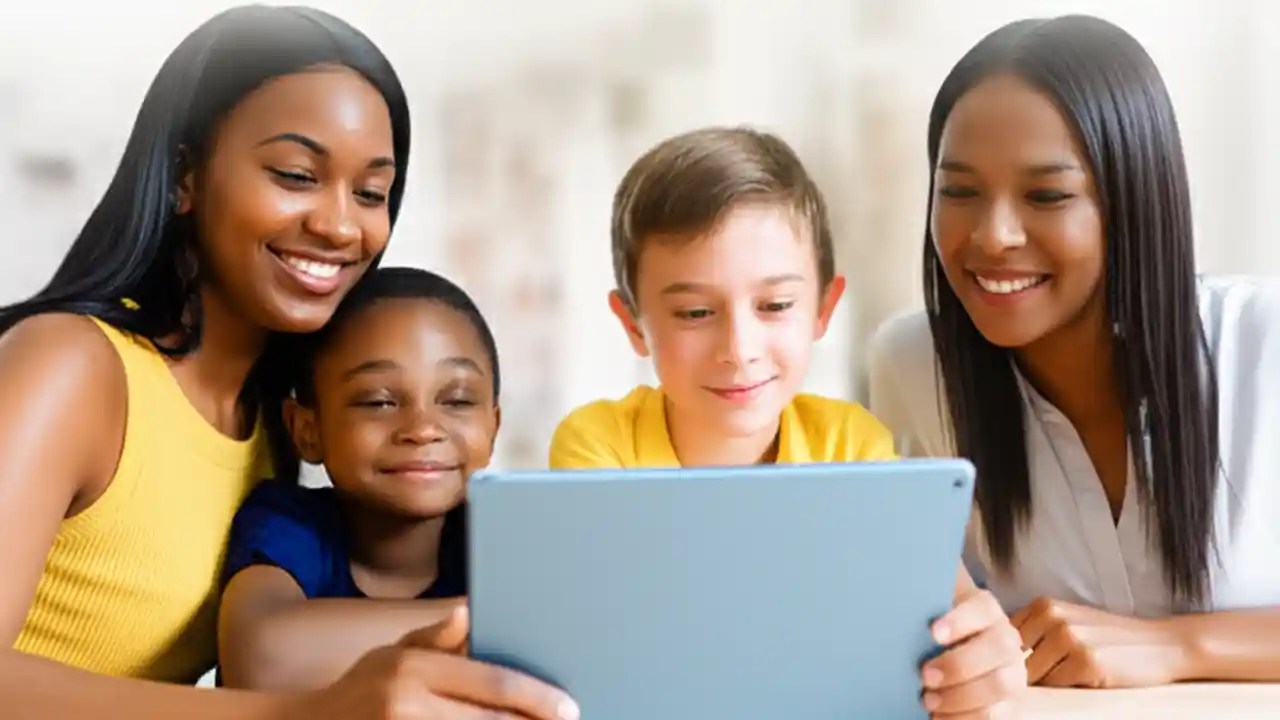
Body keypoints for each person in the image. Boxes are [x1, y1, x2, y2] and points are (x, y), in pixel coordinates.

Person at [0, 6, 575, 719]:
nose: (339, 225)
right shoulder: (70, 364)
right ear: (185, 177)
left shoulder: (273, 421)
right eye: (296, 174)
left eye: (371, 192)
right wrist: (303, 714)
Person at [550, 126, 1026, 717]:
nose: (739, 347)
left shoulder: (852, 445)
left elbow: (946, 609)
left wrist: (978, 652)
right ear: (632, 324)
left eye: (775, 306)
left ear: (823, 310)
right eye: (695, 312)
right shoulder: (597, 446)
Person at [869, 15, 1280, 689]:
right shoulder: (912, 366)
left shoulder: (1265, 343)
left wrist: (1181, 647)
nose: (993, 235)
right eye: (960, 192)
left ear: (1134, 204)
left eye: (1047, 196)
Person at [219, 267, 497, 690]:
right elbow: (262, 657)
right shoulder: (289, 524)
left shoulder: (500, 539)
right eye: (379, 401)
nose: (423, 429)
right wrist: (501, 623)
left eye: (457, 400)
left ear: (493, 425)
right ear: (306, 430)